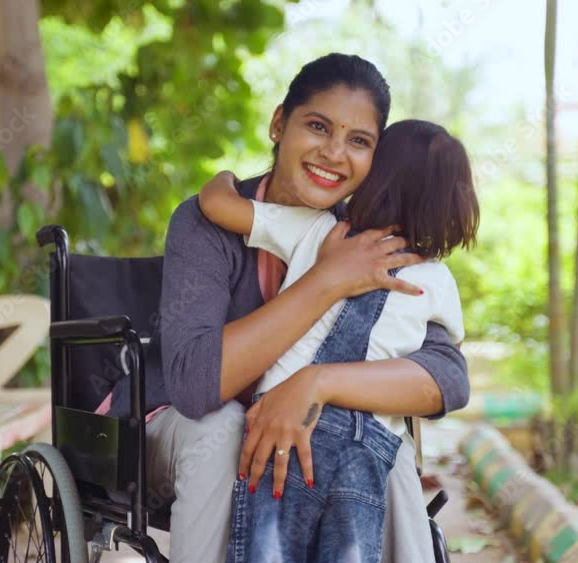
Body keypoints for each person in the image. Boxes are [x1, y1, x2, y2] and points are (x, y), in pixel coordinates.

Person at [102, 53, 470, 562]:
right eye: (317, 126)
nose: (335, 154)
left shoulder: (368, 238)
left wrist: (313, 384)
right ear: (279, 123)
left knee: (384, 448)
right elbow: (196, 388)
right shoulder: (207, 226)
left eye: (359, 141)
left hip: (310, 435)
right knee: (223, 428)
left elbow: (446, 376)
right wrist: (326, 280)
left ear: (376, 160)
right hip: (175, 426)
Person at [198, 118, 479, 562]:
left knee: (269, 552)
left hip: (283, 428)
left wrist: (227, 178)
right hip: (367, 444)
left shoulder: (316, 230)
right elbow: (448, 366)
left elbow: (217, 205)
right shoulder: (437, 280)